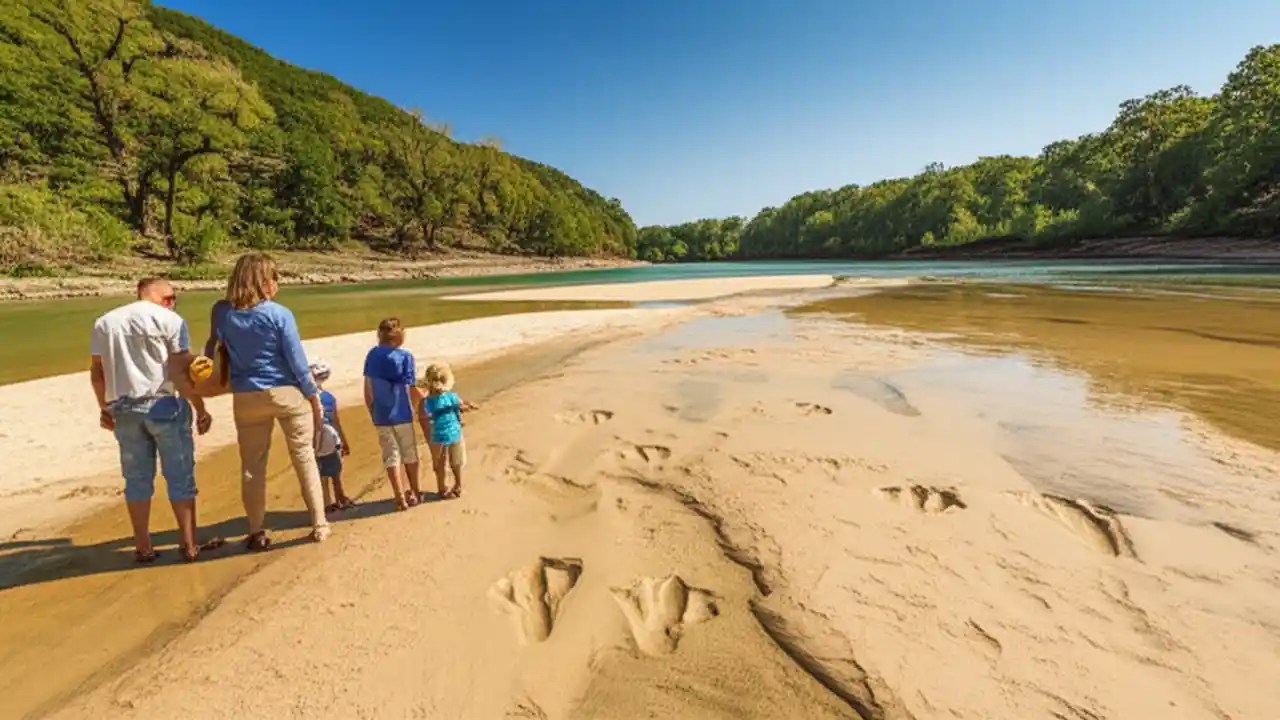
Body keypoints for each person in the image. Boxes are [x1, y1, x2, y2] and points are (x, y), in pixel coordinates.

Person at [90, 277, 221, 563]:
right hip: (163, 404)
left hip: (124, 408)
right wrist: (200, 407)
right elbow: (179, 373)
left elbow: (97, 373)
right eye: (172, 297)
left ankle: (143, 546)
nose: (174, 303)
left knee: (136, 480)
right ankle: (188, 544)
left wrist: (104, 408)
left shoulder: (105, 322)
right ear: (163, 298)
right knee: (179, 476)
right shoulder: (171, 321)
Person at [217, 253, 330, 549]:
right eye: (273, 277)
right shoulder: (279, 314)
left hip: (245, 395)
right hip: (284, 392)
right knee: (303, 457)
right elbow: (296, 361)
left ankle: (256, 530)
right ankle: (319, 523)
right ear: (264, 281)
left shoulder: (222, 313)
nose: (276, 282)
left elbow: (215, 346)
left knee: (252, 466)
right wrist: (313, 397)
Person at [363, 317, 422, 510]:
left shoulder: (372, 355)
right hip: (402, 413)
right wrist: (421, 407)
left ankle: (399, 496)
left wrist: (372, 410)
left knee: (391, 455)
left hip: (381, 414)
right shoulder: (405, 357)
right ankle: (415, 491)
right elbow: (411, 388)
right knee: (409, 453)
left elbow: (368, 389)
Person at [417, 362, 477, 500]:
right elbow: (460, 406)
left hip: (439, 435)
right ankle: (457, 485)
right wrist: (468, 407)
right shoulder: (451, 397)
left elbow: (423, 418)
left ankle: (443, 488)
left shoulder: (426, 402)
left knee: (441, 463)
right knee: (456, 461)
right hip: (453, 432)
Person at [310, 361, 354, 513]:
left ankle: (327, 503)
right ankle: (340, 498)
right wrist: (345, 441)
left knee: (321, 474)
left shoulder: (307, 399)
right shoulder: (329, 398)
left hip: (314, 439)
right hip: (331, 438)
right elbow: (336, 422)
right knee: (336, 472)